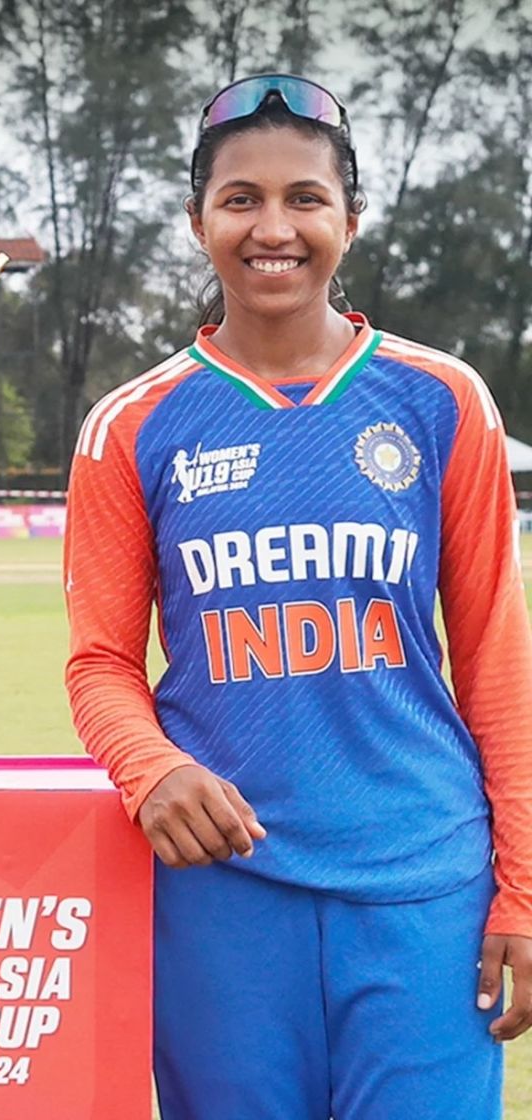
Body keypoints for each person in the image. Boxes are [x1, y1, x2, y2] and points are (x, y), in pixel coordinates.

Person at [64, 74, 532, 1119]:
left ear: (348, 220)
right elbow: (98, 659)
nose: (271, 227)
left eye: (303, 199)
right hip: (220, 890)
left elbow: (495, 655)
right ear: (196, 222)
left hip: (422, 885)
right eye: (239, 199)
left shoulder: (438, 397)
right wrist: (150, 769)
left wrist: (522, 886)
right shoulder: (133, 424)